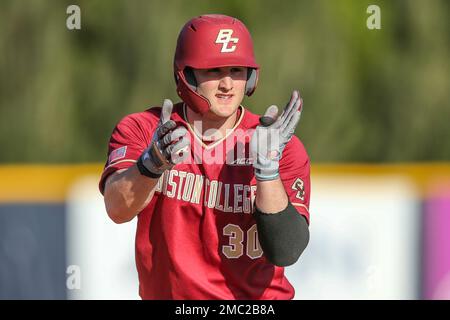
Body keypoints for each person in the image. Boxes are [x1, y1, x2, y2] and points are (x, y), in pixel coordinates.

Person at [99, 14, 310, 300]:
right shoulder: (147, 130)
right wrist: (151, 164)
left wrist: (267, 169)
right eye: (213, 71)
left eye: (237, 70)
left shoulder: (275, 142)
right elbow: (116, 208)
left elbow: (286, 250)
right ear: (185, 75)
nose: (227, 84)